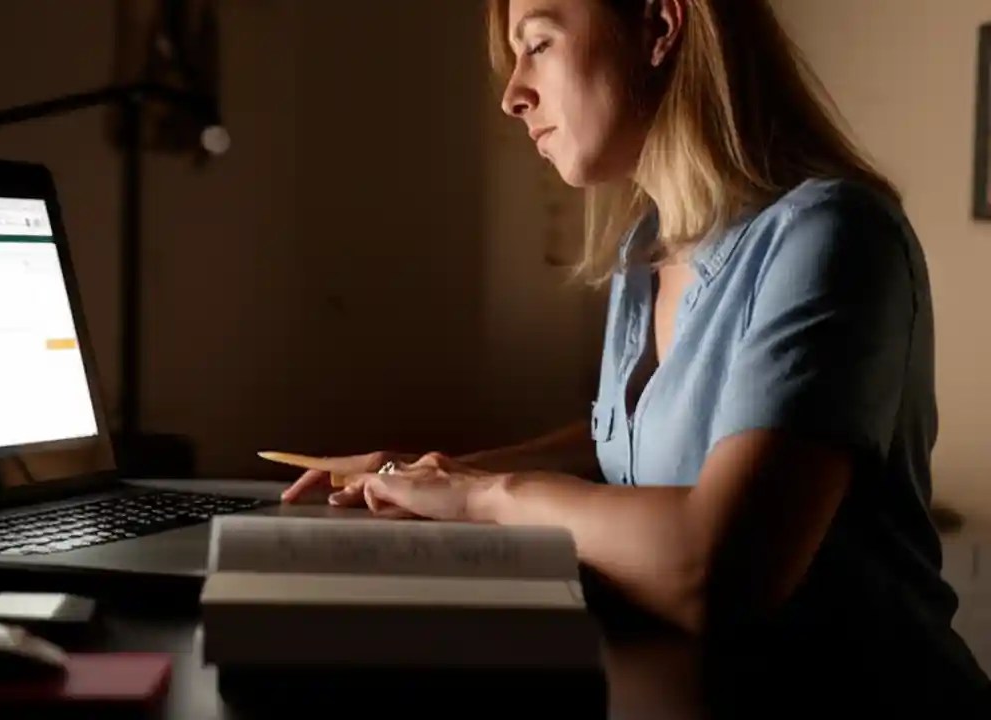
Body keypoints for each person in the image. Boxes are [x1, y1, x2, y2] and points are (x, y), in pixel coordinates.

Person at [276, 0, 990, 710]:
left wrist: (485, 497)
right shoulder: (647, 249)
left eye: (539, 45)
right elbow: (622, 449)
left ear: (660, 26)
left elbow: (717, 567)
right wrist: (426, 472)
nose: (512, 93)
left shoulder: (832, 236)